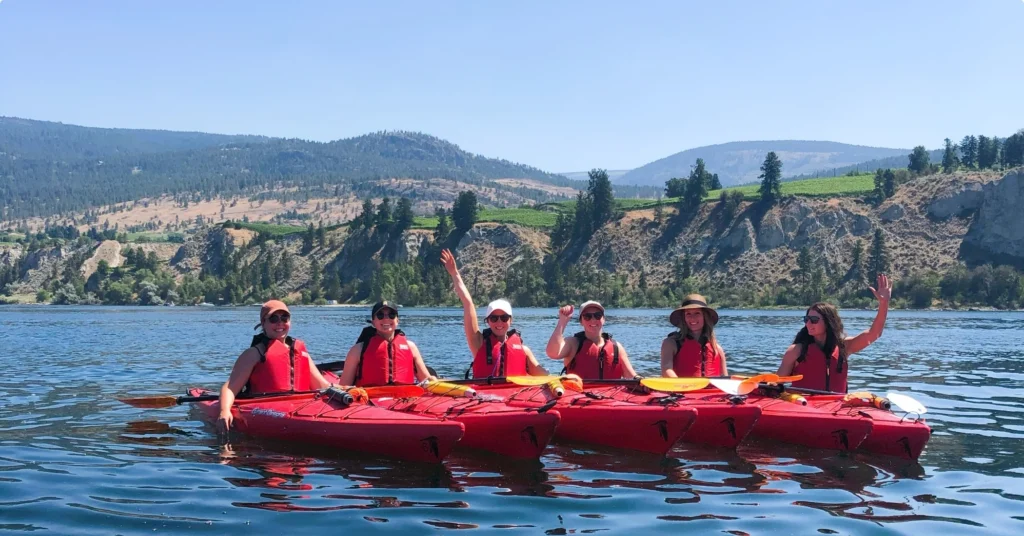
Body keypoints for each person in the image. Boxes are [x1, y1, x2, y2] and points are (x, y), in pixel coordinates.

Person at [217, 300, 333, 432]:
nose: (280, 323)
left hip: (302, 406)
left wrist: (349, 390)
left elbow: (321, 386)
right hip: (266, 409)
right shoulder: (254, 354)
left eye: (285, 318)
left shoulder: (300, 351)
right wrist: (224, 410)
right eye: (273, 319)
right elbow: (230, 388)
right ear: (263, 323)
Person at [440, 248, 548, 378]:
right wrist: (454, 273)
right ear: (488, 321)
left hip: (514, 396)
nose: (499, 322)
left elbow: (545, 377)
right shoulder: (478, 343)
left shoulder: (524, 351)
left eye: (504, 317)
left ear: (510, 320)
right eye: (494, 318)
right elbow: (468, 304)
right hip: (486, 396)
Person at [777, 274, 892, 393]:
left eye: (814, 320)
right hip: (805, 407)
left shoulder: (845, 347)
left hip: (835, 407)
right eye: (807, 319)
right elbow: (776, 385)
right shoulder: (795, 351)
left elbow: (874, 334)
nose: (808, 324)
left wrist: (884, 303)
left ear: (828, 322)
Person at [336, 300, 436, 387]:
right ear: (373, 322)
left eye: (391, 315)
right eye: (380, 315)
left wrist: (433, 380)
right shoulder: (358, 350)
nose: (386, 319)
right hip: (370, 400)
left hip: (405, 398)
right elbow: (344, 386)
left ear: (397, 320)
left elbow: (425, 380)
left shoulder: (411, 347)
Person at [545, 301, 641, 380]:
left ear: (603, 319)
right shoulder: (573, 344)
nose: (593, 320)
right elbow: (552, 353)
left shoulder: (616, 347)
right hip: (580, 398)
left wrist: (641, 381)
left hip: (610, 398)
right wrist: (562, 322)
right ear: (581, 321)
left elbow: (631, 376)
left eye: (598, 315)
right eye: (587, 316)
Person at [660, 294, 728, 377]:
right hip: (681, 388)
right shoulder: (670, 343)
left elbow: (725, 378)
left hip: (711, 390)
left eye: (697, 313)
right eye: (688, 314)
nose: (692, 318)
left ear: (705, 317)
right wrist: (682, 387)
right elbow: (666, 370)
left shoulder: (717, 349)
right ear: (683, 318)